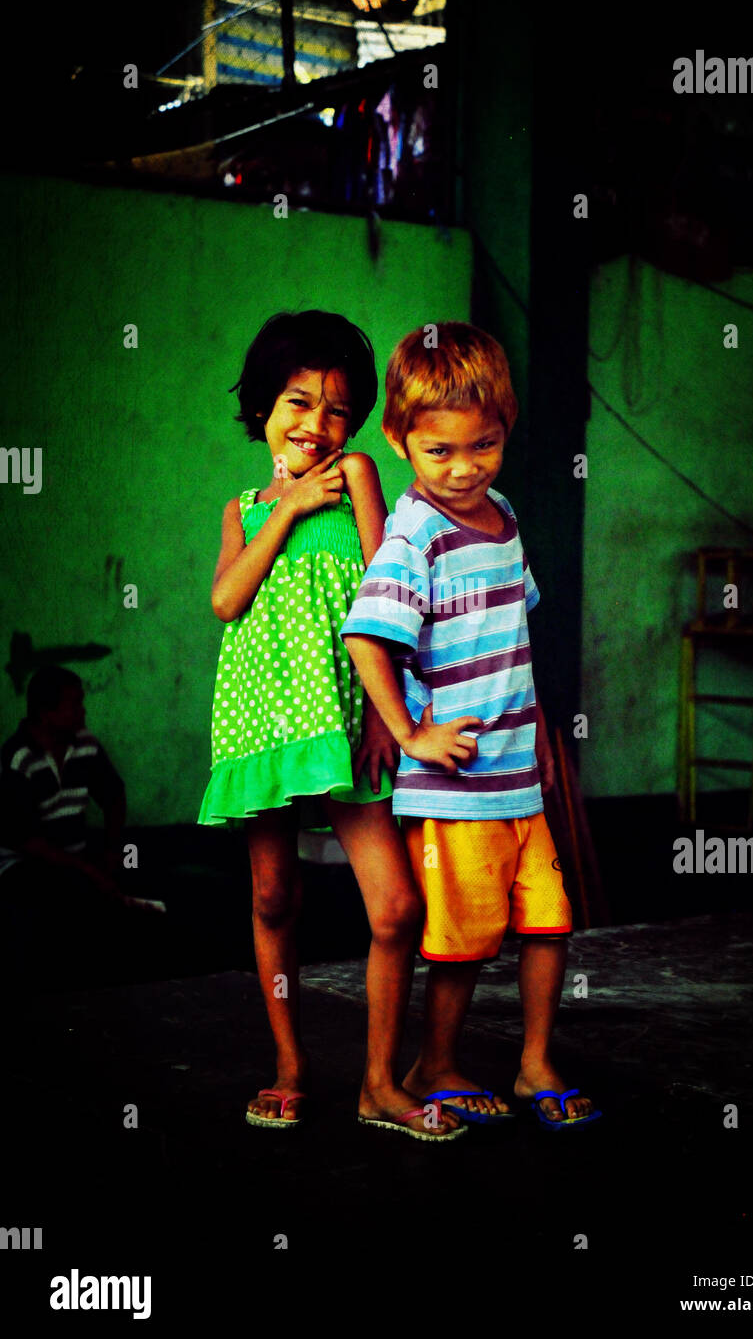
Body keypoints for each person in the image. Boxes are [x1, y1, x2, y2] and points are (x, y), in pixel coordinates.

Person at [197, 310, 464, 1141]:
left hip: (348, 720)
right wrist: (285, 506)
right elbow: (225, 601)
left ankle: (378, 1082)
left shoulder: (354, 476)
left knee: (393, 908)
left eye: (336, 409)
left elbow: (390, 598)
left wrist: (394, 714)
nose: (315, 424)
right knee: (274, 895)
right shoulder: (242, 507)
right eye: (296, 402)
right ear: (263, 410)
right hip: (260, 724)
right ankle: (289, 1067)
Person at [341, 321, 602, 1130]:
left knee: (548, 924)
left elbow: (518, 637)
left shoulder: (507, 515)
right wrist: (410, 733)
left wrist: (546, 736)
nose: (463, 469)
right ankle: (439, 1063)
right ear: (398, 440)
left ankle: (532, 1064)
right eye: (439, 452)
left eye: (481, 447)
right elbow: (365, 637)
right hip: (453, 786)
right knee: (459, 942)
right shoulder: (412, 532)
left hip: (520, 772)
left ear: (506, 428)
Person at [0, 666, 134, 976]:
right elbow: (25, 840)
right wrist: (88, 871)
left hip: (76, 856)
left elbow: (114, 796)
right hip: (23, 865)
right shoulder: (18, 757)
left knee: (133, 869)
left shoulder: (85, 745)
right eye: (74, 703)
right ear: (46, 713)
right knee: (66, 899)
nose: (83, 711)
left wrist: (114, 850)